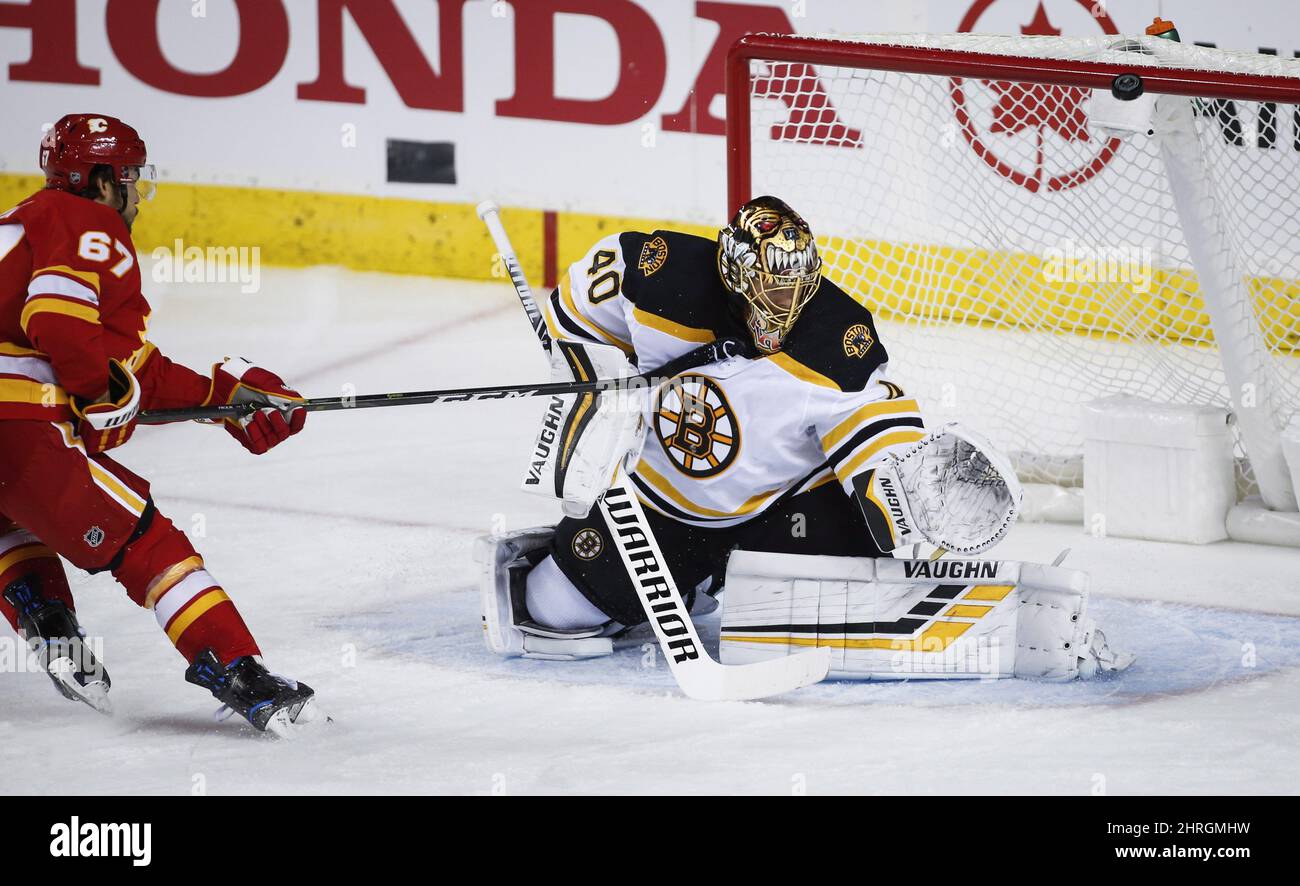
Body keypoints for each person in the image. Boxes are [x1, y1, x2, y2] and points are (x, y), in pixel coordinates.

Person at [481, 196, 928, 651]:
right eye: (774, 289)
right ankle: (686, 579)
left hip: (777, 507)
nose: (789, 304)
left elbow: (870, 420)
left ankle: (713, 574)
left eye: (799, 286)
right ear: (737, 277)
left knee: (852, 572)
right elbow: (575, 310)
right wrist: (595, 378)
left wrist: (906, 485)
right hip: (660, 504)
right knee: (553, 610)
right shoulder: (661, 276)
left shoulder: (838, 334)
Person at [0, 114, 316, 735]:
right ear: (99, 180)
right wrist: (97, 393)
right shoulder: (87, 221)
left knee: (10, 512)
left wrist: (222, 397)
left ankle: (45, 614)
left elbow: (128, 362)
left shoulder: (20, 224)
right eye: (129, 177)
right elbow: (58, 324)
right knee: (150, 544)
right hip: (18, 428)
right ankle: (237, 671)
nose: (137, 191)